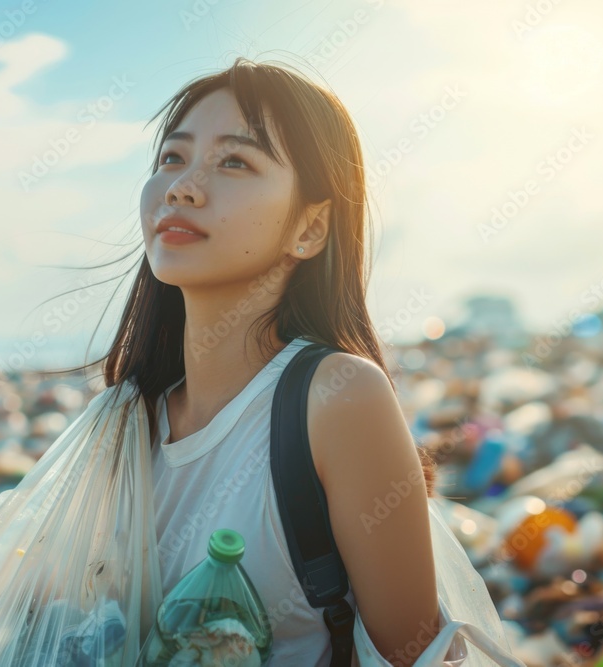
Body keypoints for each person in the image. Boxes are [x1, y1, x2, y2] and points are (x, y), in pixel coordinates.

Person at [54, 60, 463, 666]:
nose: (182, 187)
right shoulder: (124, 417)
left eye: (235, 162)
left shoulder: (338, 396)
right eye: (172, 157)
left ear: (310, 228)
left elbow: (414, 657)